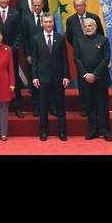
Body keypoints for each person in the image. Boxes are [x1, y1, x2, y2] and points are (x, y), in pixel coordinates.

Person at [26, 12, 70, 141]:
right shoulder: (36, 38)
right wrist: (34, 77)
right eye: (46, 22)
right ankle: (43, 132)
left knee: (60, 106)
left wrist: (66, 76)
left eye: (50, 22)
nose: (48, 24)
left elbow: (64, 60)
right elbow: (35, 61)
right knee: (43, 107)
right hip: (42, 78)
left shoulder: (60, 38)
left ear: (53, 23)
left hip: (58, 77)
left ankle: (62, 131)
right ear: (42, 23)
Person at [65, 0, 105, 117]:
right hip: (80, 57)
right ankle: (85, 107)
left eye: (81, 5)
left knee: (97, 82)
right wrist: (80, 48)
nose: (79, 8)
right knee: (83, 84)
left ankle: (98, 107)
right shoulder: (70, 20)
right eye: (76, 6)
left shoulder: (94, 18)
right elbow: (70, 38)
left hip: (96, 57)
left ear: (85, 5)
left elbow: (101, 37)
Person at [73, 16, 112, 141]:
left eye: (90, 26)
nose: (88, 28)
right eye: (85, 26)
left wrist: (94, 75)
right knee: (90, 106)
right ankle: (93, 130)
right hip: (85, 80)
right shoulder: (79, 41)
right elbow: (77, 59)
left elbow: (106, 59)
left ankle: (106, 131)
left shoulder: (103, 40)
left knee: (102, 106)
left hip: (100, 79)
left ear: (95, 27)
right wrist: (86, 75)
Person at [20, 0, 51, 116]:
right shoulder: (26, 19)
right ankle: (37, 107)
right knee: (35, 83)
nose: (37, 7)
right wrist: (27, 54)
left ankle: (50, 106)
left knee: (49, 82)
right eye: (35, 5)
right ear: (32, 6)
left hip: (47, 55)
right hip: (32, 56)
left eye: (39, 5)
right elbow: (25, 38)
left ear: (43, 5)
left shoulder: (48, 17)